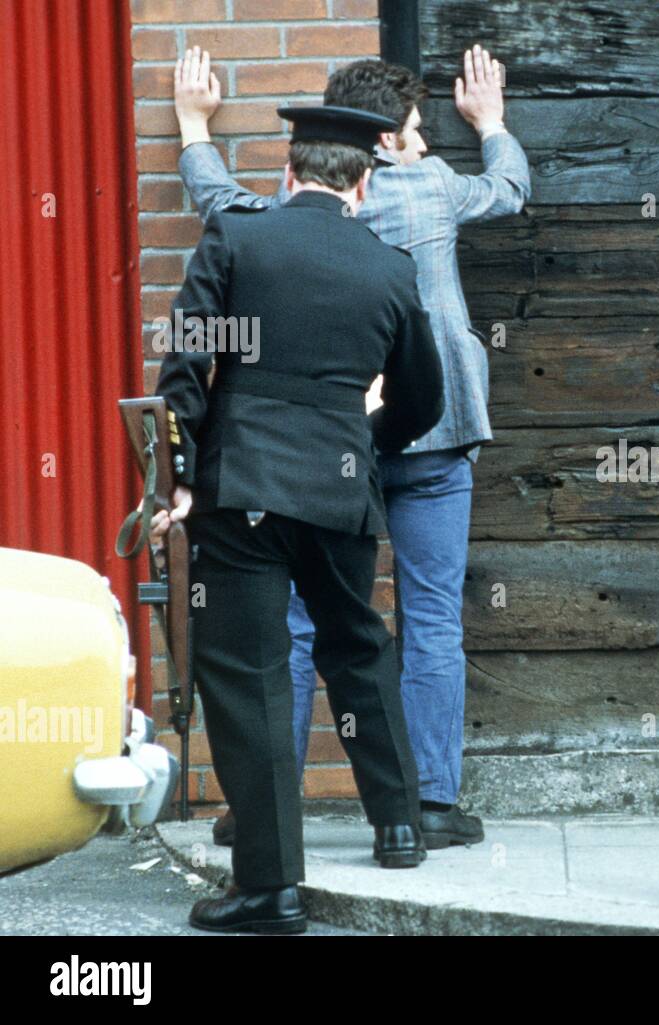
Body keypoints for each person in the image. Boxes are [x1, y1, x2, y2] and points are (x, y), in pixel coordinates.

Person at [172, 45, 530, 852]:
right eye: (411, 129)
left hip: (316, 454)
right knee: (429, 616)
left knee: (297, 625)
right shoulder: (435, 188)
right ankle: (428, 802)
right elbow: (509, 188)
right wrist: (493, 124)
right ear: (382, 141)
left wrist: (196, 126)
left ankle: (269, 802)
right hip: (430, 432)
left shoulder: (276, 212)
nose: (420, 141)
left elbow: (215, 202)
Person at [150, 104, 446, 933]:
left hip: (241, 487)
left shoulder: (239, 239)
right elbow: (426, 400)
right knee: (359, 648)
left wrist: (179, 480)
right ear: (362, 184)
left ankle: (272, 886)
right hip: (340, 489)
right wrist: (362, 436)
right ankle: (399, 825)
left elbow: (185, 364)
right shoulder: (390, 268)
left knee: (250, 676)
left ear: (289, 172)